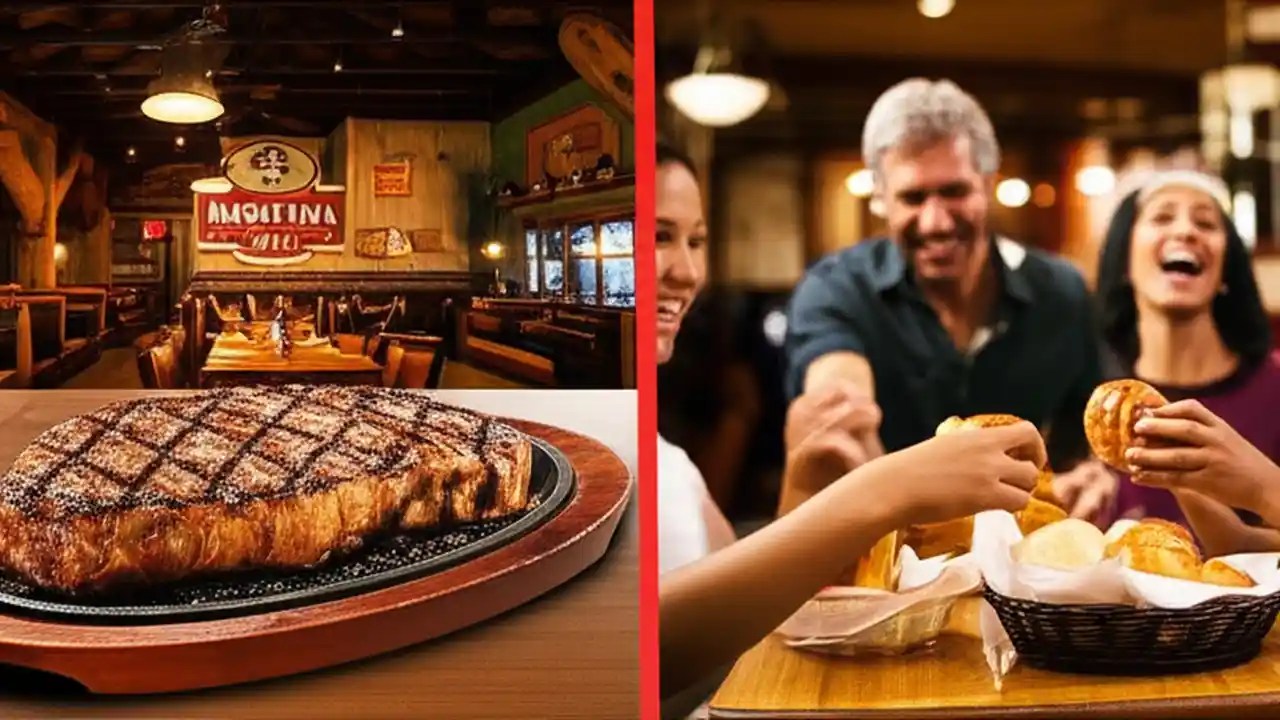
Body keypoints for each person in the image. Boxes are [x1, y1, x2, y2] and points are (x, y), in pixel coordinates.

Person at [656, 139, 1047, 712]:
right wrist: (887, 489)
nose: (686, 271)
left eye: (696, 241)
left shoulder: (669, 459)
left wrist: (801, 496)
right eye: (658, 236)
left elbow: (746, 615)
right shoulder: (837, 286)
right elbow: (650, 645)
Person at [781, 78, 1114, 521]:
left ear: (987, 182)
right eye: (913, 197)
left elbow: (1083, 443)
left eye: (954, 192)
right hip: (884, 555)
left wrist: (1090, 477)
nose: (936, 221)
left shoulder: (1061, 292)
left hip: (1023, 565)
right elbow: (841, 415)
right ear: (880, 199)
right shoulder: (837, 289)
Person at [1094, 170, 1280, 554]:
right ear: (1124, 260)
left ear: (1227, 268)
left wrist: (1262, 486)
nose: (1185, 232)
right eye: (1162, 217)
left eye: (1206, 222)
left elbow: (1240, 547)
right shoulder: (1090, 405)